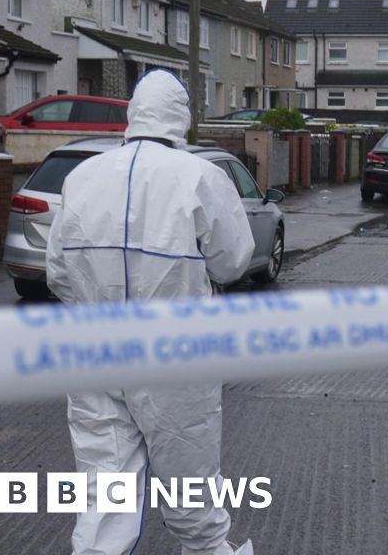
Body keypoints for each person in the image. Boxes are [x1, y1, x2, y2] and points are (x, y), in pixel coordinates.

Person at [46, 69, 256, 555]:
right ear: (180, 119)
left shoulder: (82, 177)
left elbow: (57, 274)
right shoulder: (201, 176)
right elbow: (233, 260)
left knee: (103, 488)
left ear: (133, 115)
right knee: (191, 485)